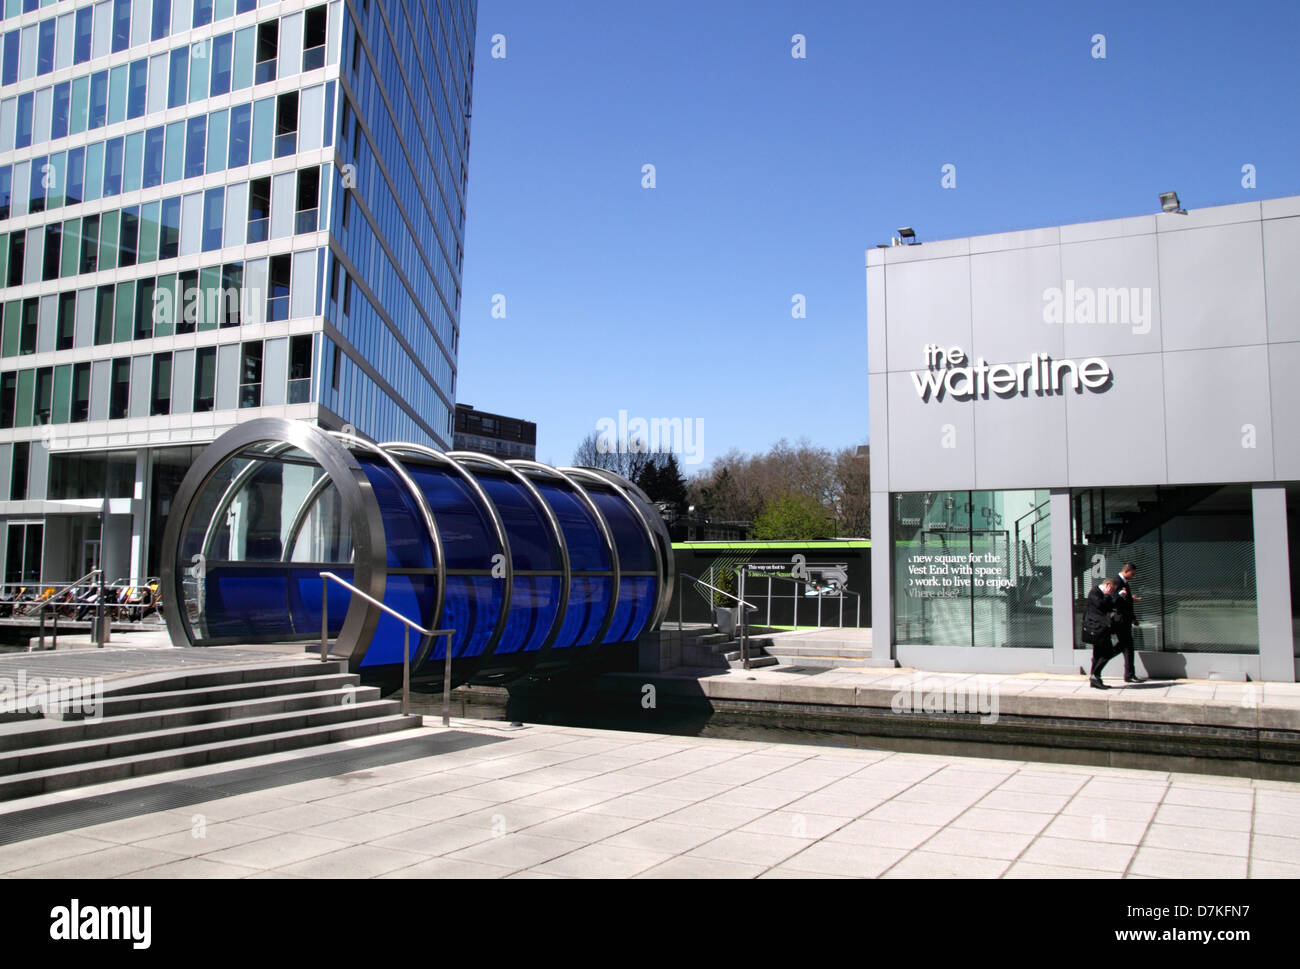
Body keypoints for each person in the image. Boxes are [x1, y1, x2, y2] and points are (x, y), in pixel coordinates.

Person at [1082, 577, 1121, 689]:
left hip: (1102, 628)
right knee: (1107, 652)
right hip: (1096, 628)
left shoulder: (1102, 594)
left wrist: (1118, 597)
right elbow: (1101, 605)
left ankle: (1095, 678)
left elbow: (1110, 606)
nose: (1112, 592)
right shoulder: (1094, 592)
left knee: (1098, 654)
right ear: (1107, 585)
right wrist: (1108, 595)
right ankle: (1095, 676)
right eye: (1112, 589)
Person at [1113, 563, 1143, 683]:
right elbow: (1113, 599)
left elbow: (1126, 602)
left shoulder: (1123, 582)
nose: (1133, 576)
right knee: (1127, 647)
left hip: (1125, 620)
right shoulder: (1117, 581)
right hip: (1121, 620)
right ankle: (1129, 674)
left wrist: (1130, 598)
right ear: (1127, 570)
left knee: (1126, 647)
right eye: (1133, 573)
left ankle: (1129, 674)